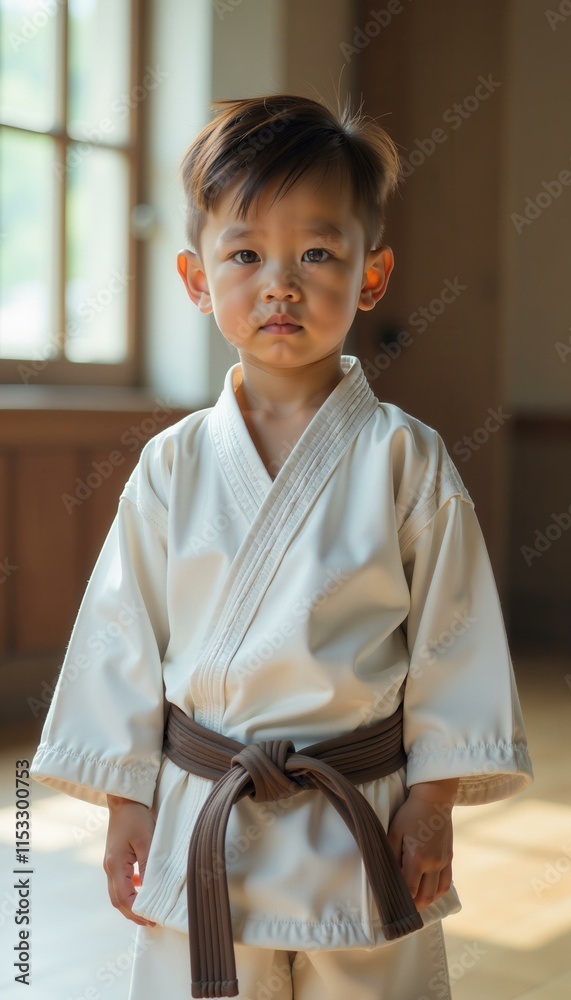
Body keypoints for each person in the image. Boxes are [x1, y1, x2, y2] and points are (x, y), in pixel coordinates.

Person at [31, 93, 533, 1000]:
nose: (280, 284)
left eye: (316, 253)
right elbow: (120, 634)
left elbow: (453, 634)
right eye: (245, 254)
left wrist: (434, 796)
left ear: (371, 276)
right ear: (195, 279)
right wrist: (125, 797)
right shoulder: (172, 465)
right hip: (205, 813)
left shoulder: (402, 457)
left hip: (361, 818)